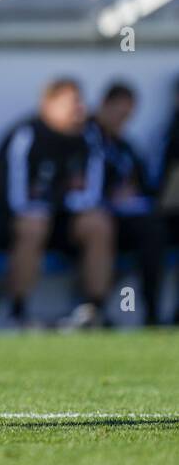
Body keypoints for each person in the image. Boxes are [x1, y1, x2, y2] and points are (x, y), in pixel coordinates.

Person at [0, 78, 113, 327]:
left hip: (55, 219)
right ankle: (18, 313)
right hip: (1, 222)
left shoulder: (90, 138)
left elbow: (90, 196)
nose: (80, 110)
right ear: (48, 105)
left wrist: (54, 197)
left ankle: (94, 311)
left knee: (97, 223)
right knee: (33, 224)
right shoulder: (26, 135)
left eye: (80, 103)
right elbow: (18, 198)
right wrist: (61, 194)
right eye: (71, 103)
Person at [85, 83, 168, 326]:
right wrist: (109, 193)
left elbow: (145, 184)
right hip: (89, 220)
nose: (123, 121)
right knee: (105, 228)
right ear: (105, 106)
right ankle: (96, 311)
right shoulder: (85, 139)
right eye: (120, 114)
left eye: (128, 116)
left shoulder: (125, 147)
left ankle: (156, 313)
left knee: (156, 229)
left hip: (128, 220)